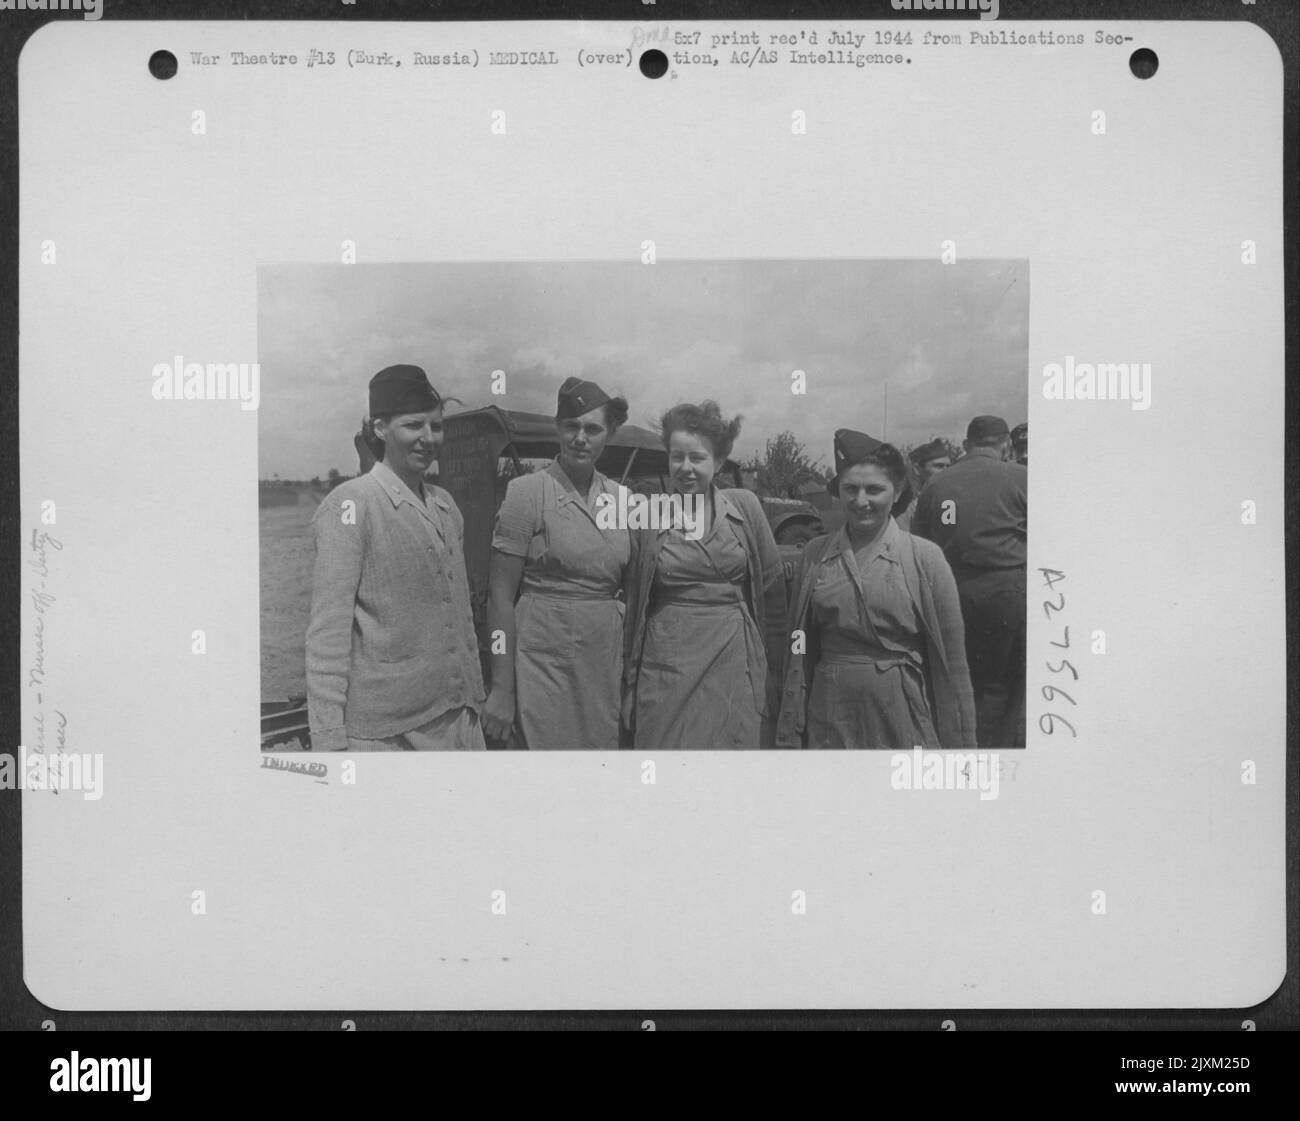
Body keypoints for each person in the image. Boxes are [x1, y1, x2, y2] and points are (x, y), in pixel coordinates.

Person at [306, 364, 486, 751]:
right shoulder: (351, 504)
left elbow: (462, 617)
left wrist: (477, 700)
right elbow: (328, 634)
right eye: (413, 425)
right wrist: (328, 737)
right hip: (387, 736)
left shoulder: (446, 507)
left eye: (436, 427)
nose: (428, 438)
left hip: (458, 721)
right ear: (380, 429)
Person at [776, 430, 976, 750]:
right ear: (838, 492)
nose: (861, 501)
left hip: (903, 708)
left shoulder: (924, 557)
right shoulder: (815, 553)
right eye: (850, 489)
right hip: (829, 710)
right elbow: (798, 646)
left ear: (897, 493)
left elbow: (953, 662)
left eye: (874, 490)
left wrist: (962, 748)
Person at [623, 401, 787, 750]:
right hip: (668, 659)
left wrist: (775, 670)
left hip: (735, 656)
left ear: (719, 462)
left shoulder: (745, 506)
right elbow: (634, 604)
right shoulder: (649, 515)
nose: (685, 468)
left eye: (697, 458)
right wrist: (630, 684)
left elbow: (772, 592)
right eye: (676, 457)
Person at [480, 377, 632, 750]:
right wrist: (501, 687)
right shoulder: (527, 493)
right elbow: (499, 598)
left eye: (593, 429)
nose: (581, 438)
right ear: (558, 428)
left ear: (607, 434)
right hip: (541, 663)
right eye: (572, 426)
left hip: (603, 660)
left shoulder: (623, 499)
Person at [911, 415, 1027, 749]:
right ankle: (998, 755)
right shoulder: (1022, 478)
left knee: (960, 680)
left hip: (953, 590)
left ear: (965, 445)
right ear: (1005, 444)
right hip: (1008, 592)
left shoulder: (938, 484)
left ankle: (960, 747)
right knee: (1004, 686)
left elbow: (921, 543)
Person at [896, 438, 952, 533]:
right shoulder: (907, 505)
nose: (946, 471)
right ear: (917, 469)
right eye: (939, 466)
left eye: (948, 466)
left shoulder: (952, 500)